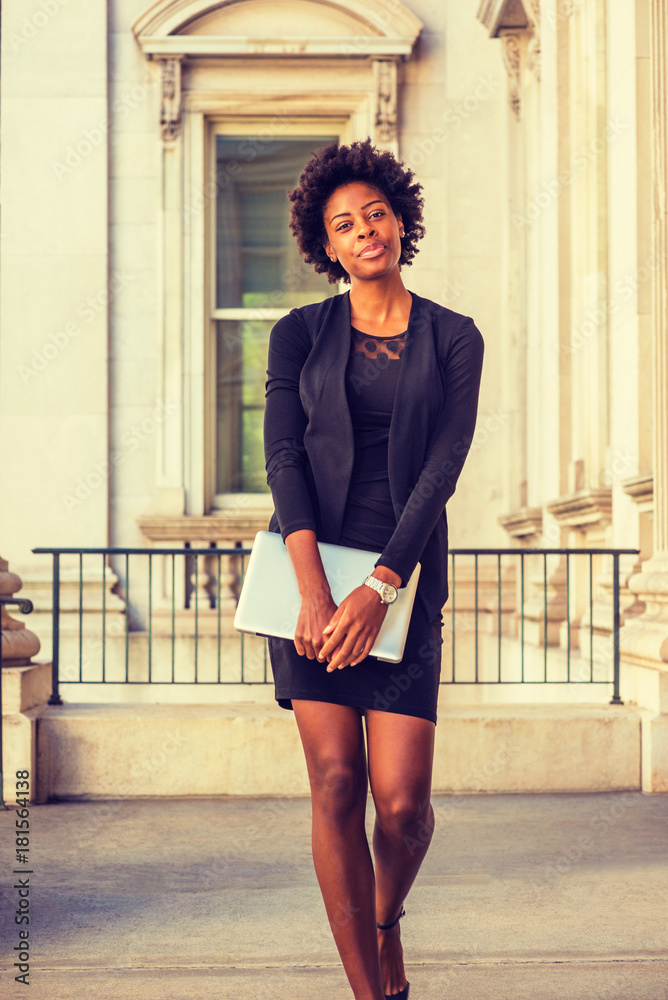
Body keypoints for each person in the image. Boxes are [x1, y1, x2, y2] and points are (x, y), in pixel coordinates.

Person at [263, 138, 484, 1000]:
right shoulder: (298, 333)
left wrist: (381, 584)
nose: (365, 233)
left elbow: (445, 461)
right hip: (306, 567)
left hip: (401, 574)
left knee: (400, 804)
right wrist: (315, 592)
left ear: (402, 220)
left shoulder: (454, 337)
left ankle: (387, 920)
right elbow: (282, 453)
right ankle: (374, 990)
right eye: (343, 225)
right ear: (328, 246)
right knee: (335, 781)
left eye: (376, 215)